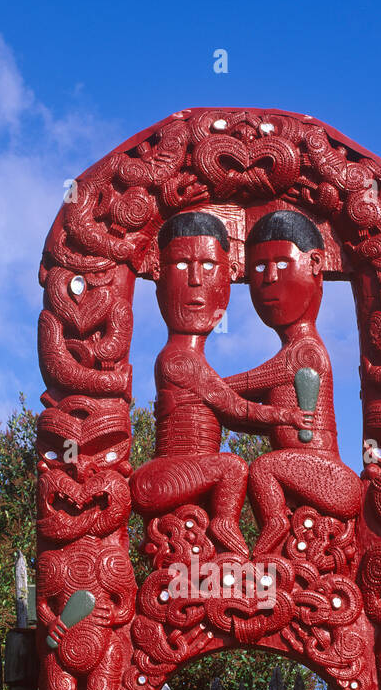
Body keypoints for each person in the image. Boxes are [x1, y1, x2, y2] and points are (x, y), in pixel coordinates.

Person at [131, 211, 307, 560]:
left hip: (177, 478)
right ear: (158, 275)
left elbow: (227, 405)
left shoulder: (195, 367)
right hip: (159, 481)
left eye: (208, 266)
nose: (196, 281)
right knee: (234, 466)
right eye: (182, 266)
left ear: (229, 276)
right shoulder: (179, 360)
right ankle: (224, 523)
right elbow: (232, 407)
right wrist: (285, 415)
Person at [213, 210, 363, 555]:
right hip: (305, 474)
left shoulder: (303, 353)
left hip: (330, 478)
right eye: (258, 269)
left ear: (315, 263)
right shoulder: (294, 350)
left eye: (281, 263)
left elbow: (235, 388)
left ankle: (274, 529)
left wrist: (199, 386)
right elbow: (240, 410)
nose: (268, 278)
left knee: (264, 465)